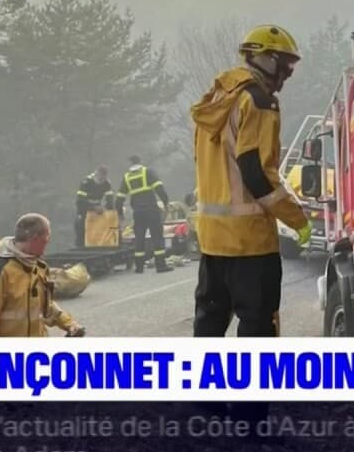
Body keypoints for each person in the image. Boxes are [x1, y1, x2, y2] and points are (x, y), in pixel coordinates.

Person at [190, 24, 311, 339]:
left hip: (212, 240)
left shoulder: (215, 101)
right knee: (258, 328)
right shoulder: (259, 101)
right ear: (267, 59)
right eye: (286, 64)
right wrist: (297, 220)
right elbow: (255, 172)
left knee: (208, 325)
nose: (288, 73)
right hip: (250, 243)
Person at [0, 213, 86, 337]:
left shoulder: (39, 267)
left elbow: (46, 306)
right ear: (35, 238)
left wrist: (69, 324)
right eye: (46, 237)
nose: (48, 242)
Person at [116, 156, 174, 274]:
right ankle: (161, 266)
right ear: (140, 161)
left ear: (130, 163)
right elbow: (159, 189)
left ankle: (139, 267)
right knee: (157, 236)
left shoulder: (127, 177)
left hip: (138, 211)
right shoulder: (148, 172)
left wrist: (120, 213)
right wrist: (165, 202)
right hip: (151, 209)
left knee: (139, 238)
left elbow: (119, 198)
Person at [74, 165, 114, 248]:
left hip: (98, 208)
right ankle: (80, 245)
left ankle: (98, 244)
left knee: (100, 227)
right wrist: (93, 208)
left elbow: (110, 200)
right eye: (100, 179)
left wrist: (109, 211)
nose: (101, 181)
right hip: (84, 207)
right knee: (81, 226)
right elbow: (80, 201)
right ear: (96, 174)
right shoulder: (86, 182)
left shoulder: (107, 183)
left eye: (103, 179)